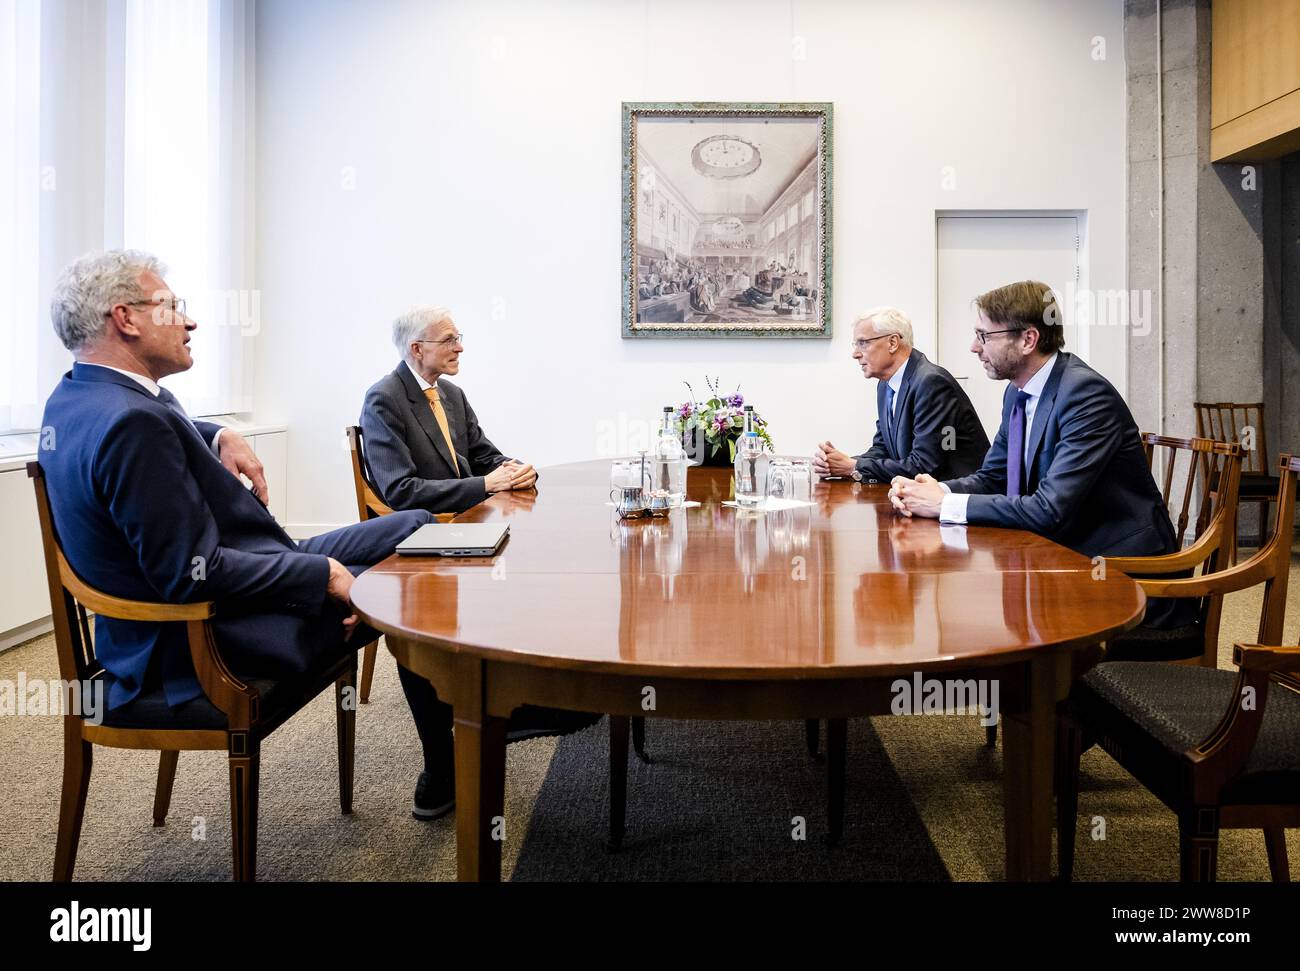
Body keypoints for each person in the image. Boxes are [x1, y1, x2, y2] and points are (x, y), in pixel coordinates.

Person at [38, 250, 450, 815]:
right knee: (400, 590)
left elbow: (162, 436)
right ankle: (457, 748)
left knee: (417, 530)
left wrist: (219, 434)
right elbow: (187, 574)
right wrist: (324, 574)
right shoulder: (131, 421)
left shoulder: (83, 396)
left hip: (242, 569)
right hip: (198, 643)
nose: (189, 320)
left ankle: (454, 732)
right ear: (125, 319)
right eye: (173, 306)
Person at [888, 280, 1186, 627]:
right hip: (1065, 557)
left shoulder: (1085, 396)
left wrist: (943, 505)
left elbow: (1049, 508)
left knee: (982, 624)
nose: (974, 347)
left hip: (1123, 578)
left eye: (984, 336)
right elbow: (994, 476)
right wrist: (937, 490)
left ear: (1028, 339)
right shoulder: (1017, 393)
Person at [360, 306, 536, 516]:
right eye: (448, 340)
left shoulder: (452, 394)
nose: (459, 348)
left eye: (457, 339)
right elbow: (401, 491)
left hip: (469, 516)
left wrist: (518, 472)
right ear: (417, 349)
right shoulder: (383, 399)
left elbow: (485, 458)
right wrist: (485, 484)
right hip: (425, 527)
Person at [814, 307, 988, 483]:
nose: (855, 354)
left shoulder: (932, 383)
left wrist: (853, 466)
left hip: (955, 498)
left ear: (893, 343)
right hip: (919, 497)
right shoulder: (885, 384)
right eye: (856, 344)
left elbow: (924, 466)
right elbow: (883, 449)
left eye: (863, 343)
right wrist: (839, 463)